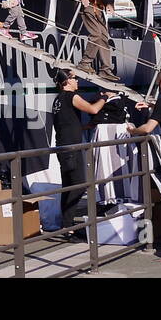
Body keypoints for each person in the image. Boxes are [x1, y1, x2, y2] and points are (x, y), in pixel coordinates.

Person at [51, 68, 114, 232]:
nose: (77, 81)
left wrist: (86, 126)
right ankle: (68, 224)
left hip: (64, 145)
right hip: (71, 146)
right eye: (74, 78)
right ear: (67, 81)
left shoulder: (58, 99)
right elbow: (93, 109)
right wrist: (105, 97)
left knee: (69, 184)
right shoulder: (71, 96)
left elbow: (67, 122)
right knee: (79, 184)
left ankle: (66, 225)